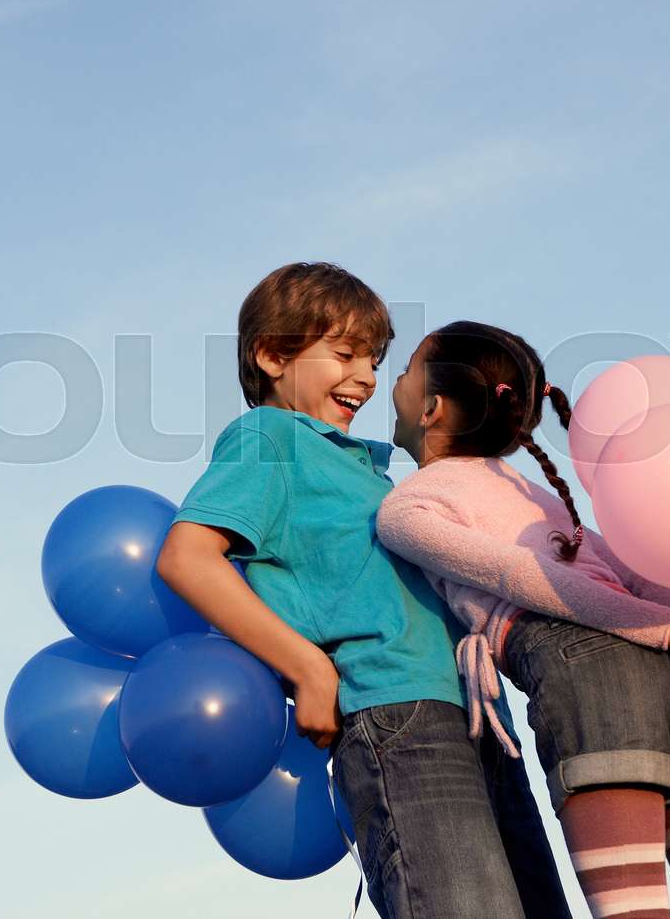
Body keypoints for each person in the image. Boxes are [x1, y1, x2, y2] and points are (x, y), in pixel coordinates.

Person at [157, 264, 572, 918]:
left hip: (477, 716)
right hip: (397, 716)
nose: (368, 376)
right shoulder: (271, 438)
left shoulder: (375, 474)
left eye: (375, 359)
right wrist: (307, 666)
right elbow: (187, 557)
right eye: (345, 353)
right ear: (272, 355)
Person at [375, 320, 670, 919]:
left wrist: (663, 629)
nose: (393, 379)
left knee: (633, 909)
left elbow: (529, 580)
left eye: (405, 369)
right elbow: (631, 567)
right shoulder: (537, 496)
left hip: (594, 679)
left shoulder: (407, 507)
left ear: (431, 408)